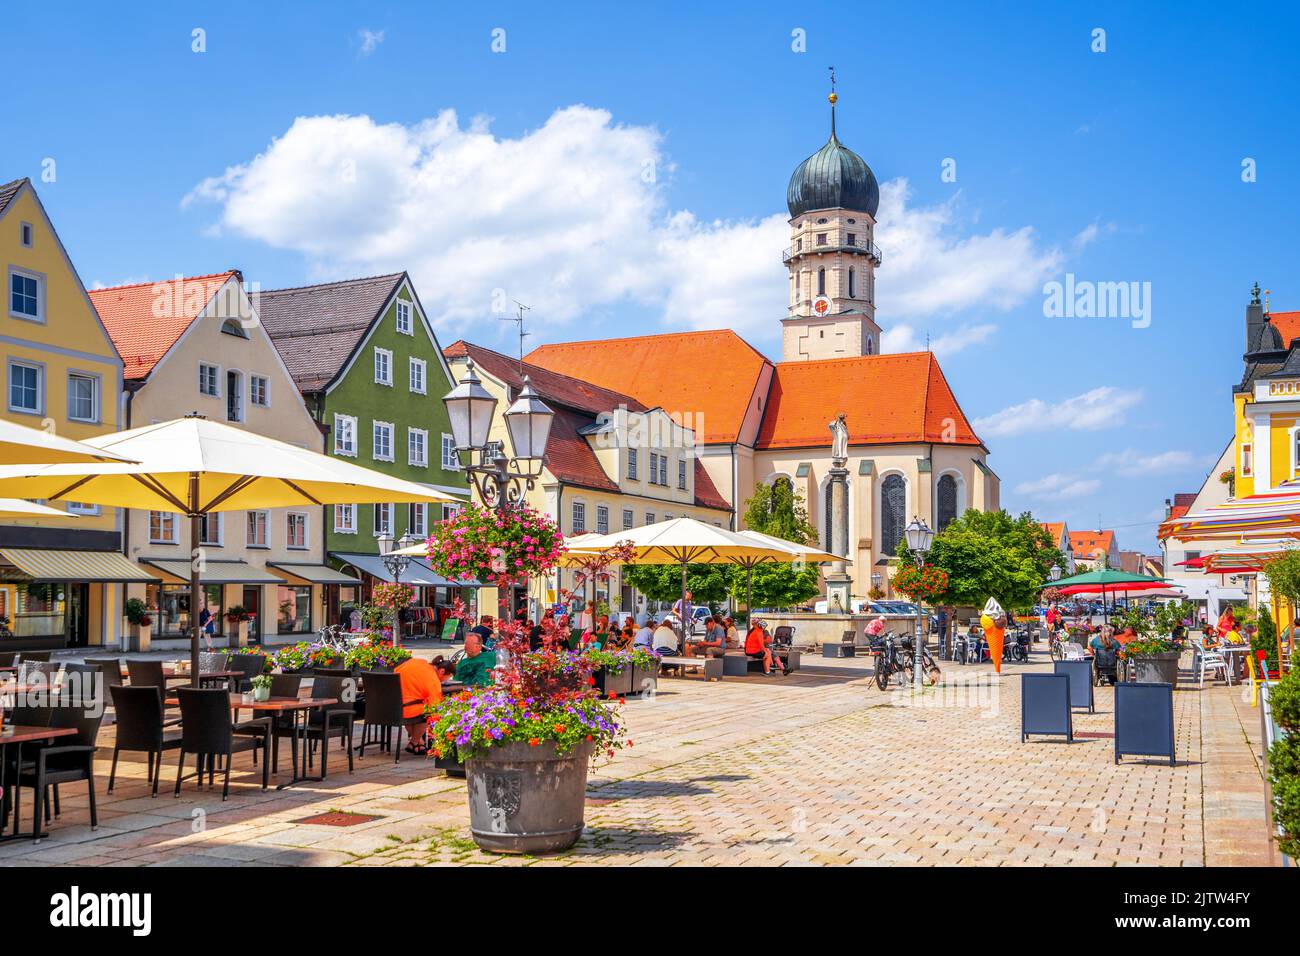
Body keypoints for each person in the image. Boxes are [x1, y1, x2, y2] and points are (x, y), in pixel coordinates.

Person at [395, 656, 444, 754]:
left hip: (395, 708)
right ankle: (413, 742)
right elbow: (435, 703)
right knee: (427, 712)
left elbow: (395, 671)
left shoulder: (416, 662)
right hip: (409, 710)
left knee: (416, 708)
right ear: (442, 671)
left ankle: (419, 742)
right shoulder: (432, 676)